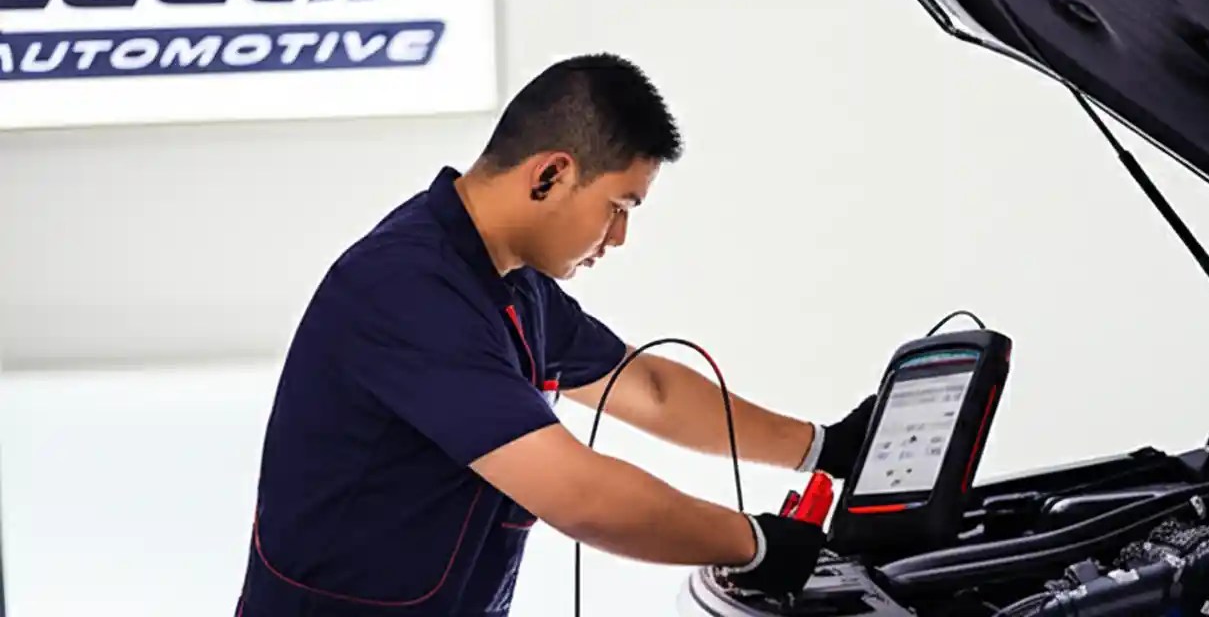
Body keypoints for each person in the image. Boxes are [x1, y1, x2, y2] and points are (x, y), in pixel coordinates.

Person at [234, 53, 877, 616]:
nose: (619, 238)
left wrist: (824, 447)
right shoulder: (405, 289)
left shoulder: (513, 285)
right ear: (550, 175)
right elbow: (580, 495)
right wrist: (754, 544)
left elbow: (648, 388)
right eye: (618, 208)